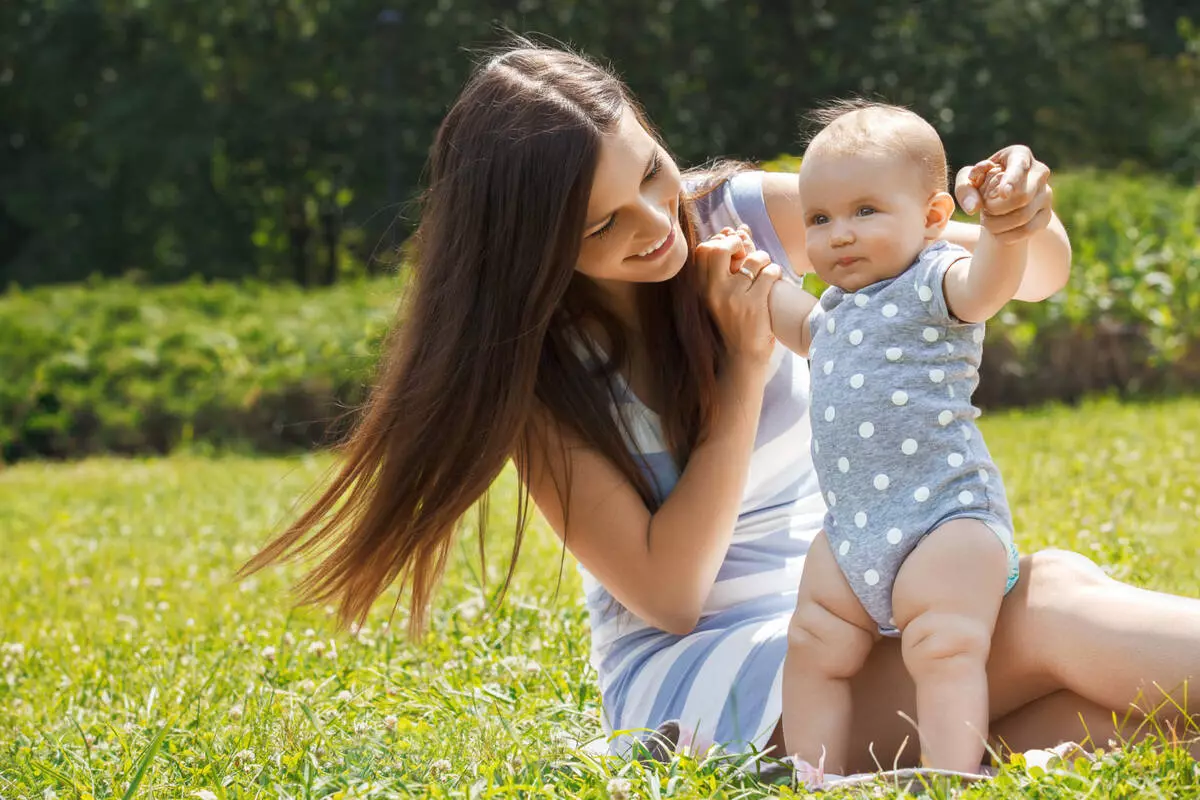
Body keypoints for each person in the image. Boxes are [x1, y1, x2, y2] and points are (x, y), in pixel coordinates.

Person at [240, 42, 1200, 773]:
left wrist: (1025, 222)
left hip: (867, 606)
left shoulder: (742, 213)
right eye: (603, 223)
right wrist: (742, 375)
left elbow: (1017, 279)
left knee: (1127, 715)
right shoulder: (541, 380)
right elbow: (669, 593)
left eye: (651, 175)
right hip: (724, 684)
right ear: (532, 248)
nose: (659, 226)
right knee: (1048, 612)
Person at [765, 101, 1032, 775]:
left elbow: (990, 284)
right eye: (819, 220)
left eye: (864, 211)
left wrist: (1003, 231)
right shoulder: (833, 311)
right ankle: (813, 776)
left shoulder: (934, 281)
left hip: (943, 519)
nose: (839, 235)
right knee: (812, 642)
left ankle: (950, 775)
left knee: (944, 646)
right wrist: (755, 279)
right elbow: (797, 327)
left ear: (935, 218)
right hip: (853, 530)